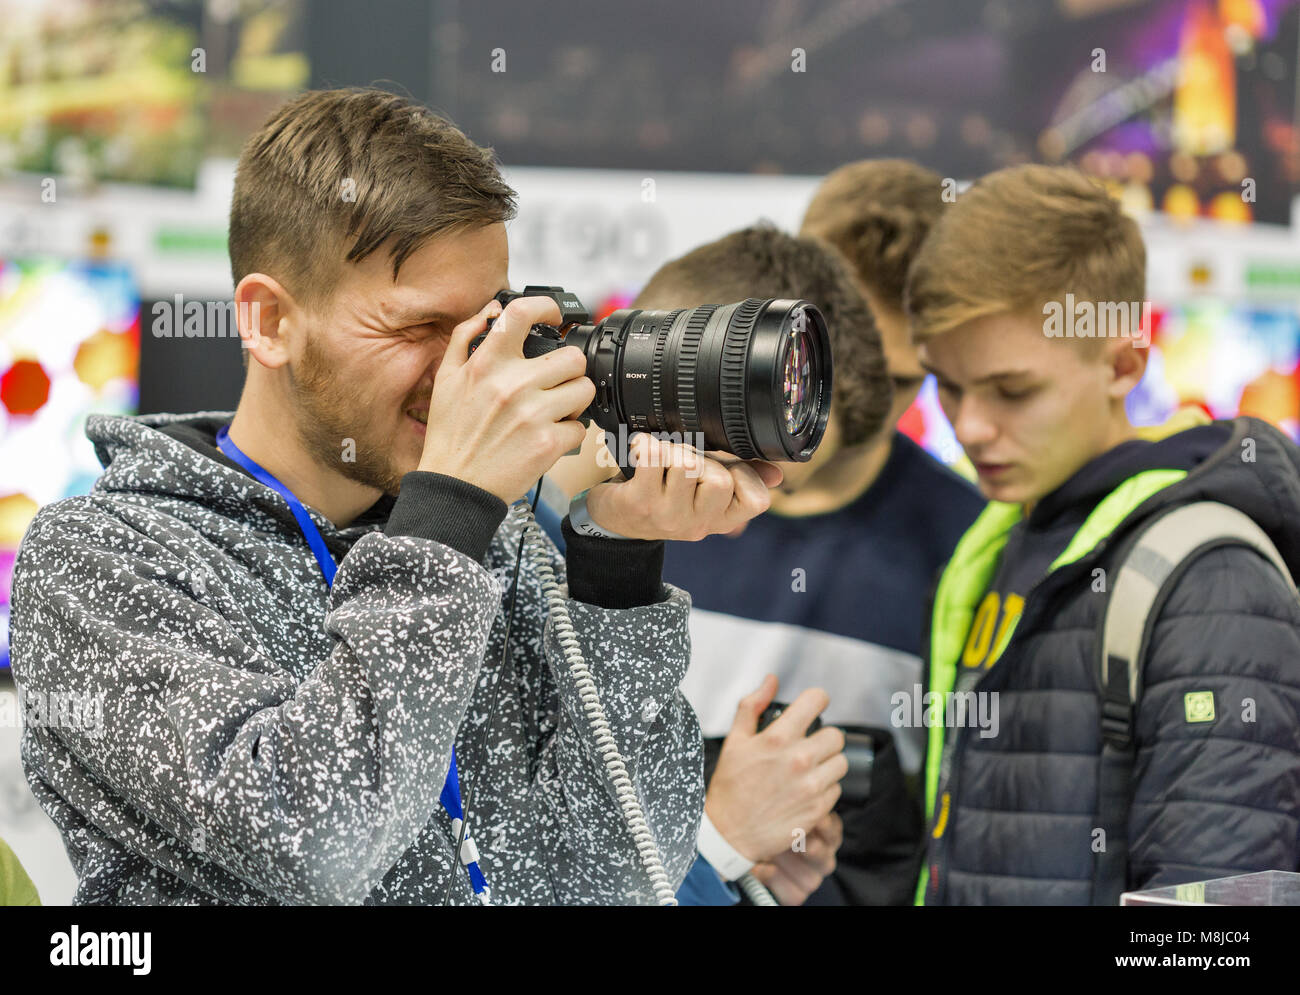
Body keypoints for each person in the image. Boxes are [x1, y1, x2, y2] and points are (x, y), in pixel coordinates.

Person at [8, 88, 786, 906]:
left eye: (486, 322)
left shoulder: (498, 535)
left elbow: (620, 873)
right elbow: (314, 845)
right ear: (268, 321)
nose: (468, 370)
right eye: (419, 328)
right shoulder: (99, 559)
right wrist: (448, 512)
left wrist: (616, 564)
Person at [552, 207, 984, 904]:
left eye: (780, 480)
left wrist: (742, 866)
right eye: (740, 465)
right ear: (662, 375)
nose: (748, 503)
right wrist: (719, 839)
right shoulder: (525, 543)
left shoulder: (959, 540)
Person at [906, 163, 1300, 905]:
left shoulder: (1210, 578)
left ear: (1123, 364)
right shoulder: (993, 543)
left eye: (1013, 390)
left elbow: (1215, 942)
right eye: (948, 385)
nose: (970, 425)